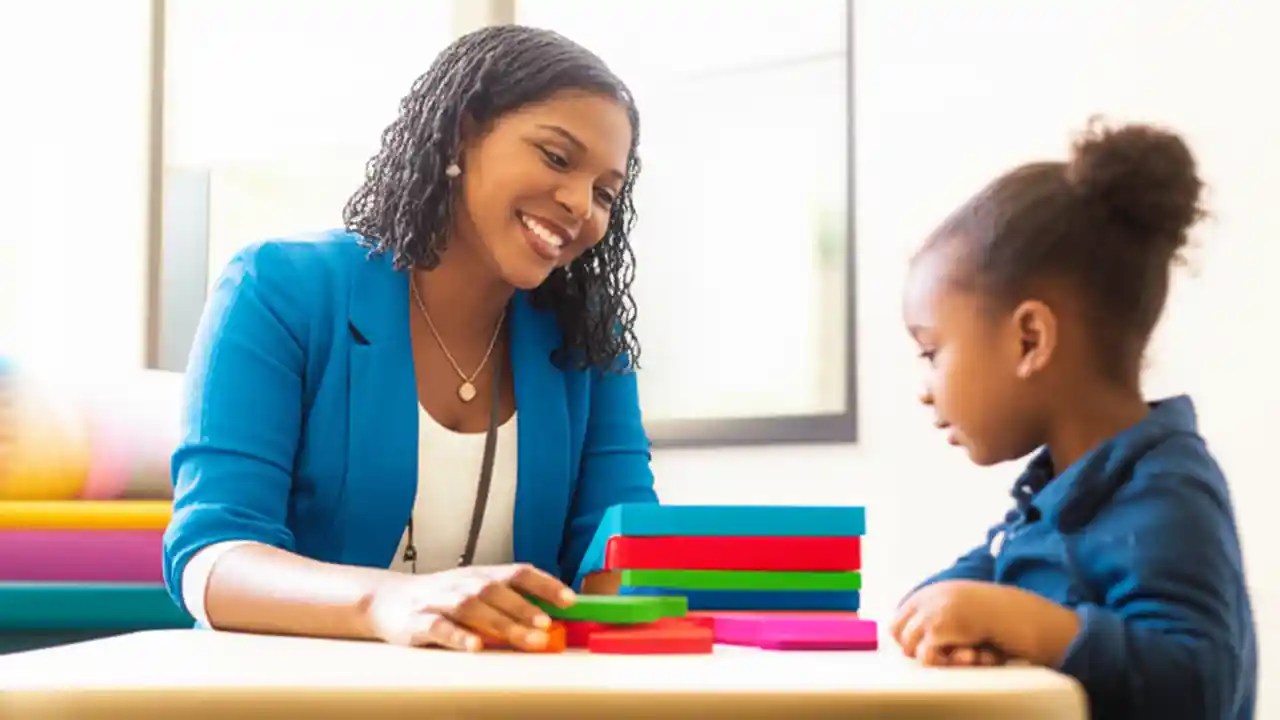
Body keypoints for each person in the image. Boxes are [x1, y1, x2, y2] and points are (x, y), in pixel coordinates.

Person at [161, 25, 658, 654]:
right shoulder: (279, 289)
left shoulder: (588, 340)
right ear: (461, 132)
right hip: (299, 697)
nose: (579, 205)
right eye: (557, 158)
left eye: (605, 193)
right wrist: (388, 600)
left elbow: (626, 554)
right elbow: (213, 558)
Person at [891, 119, 1256, 719]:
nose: (925, 392)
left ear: (1030, 339)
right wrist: (952, 620)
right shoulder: (1051, 503)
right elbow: (940, 601)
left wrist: (1033, 627)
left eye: (932, 352)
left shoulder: (1166, 492)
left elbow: (1199, 684)